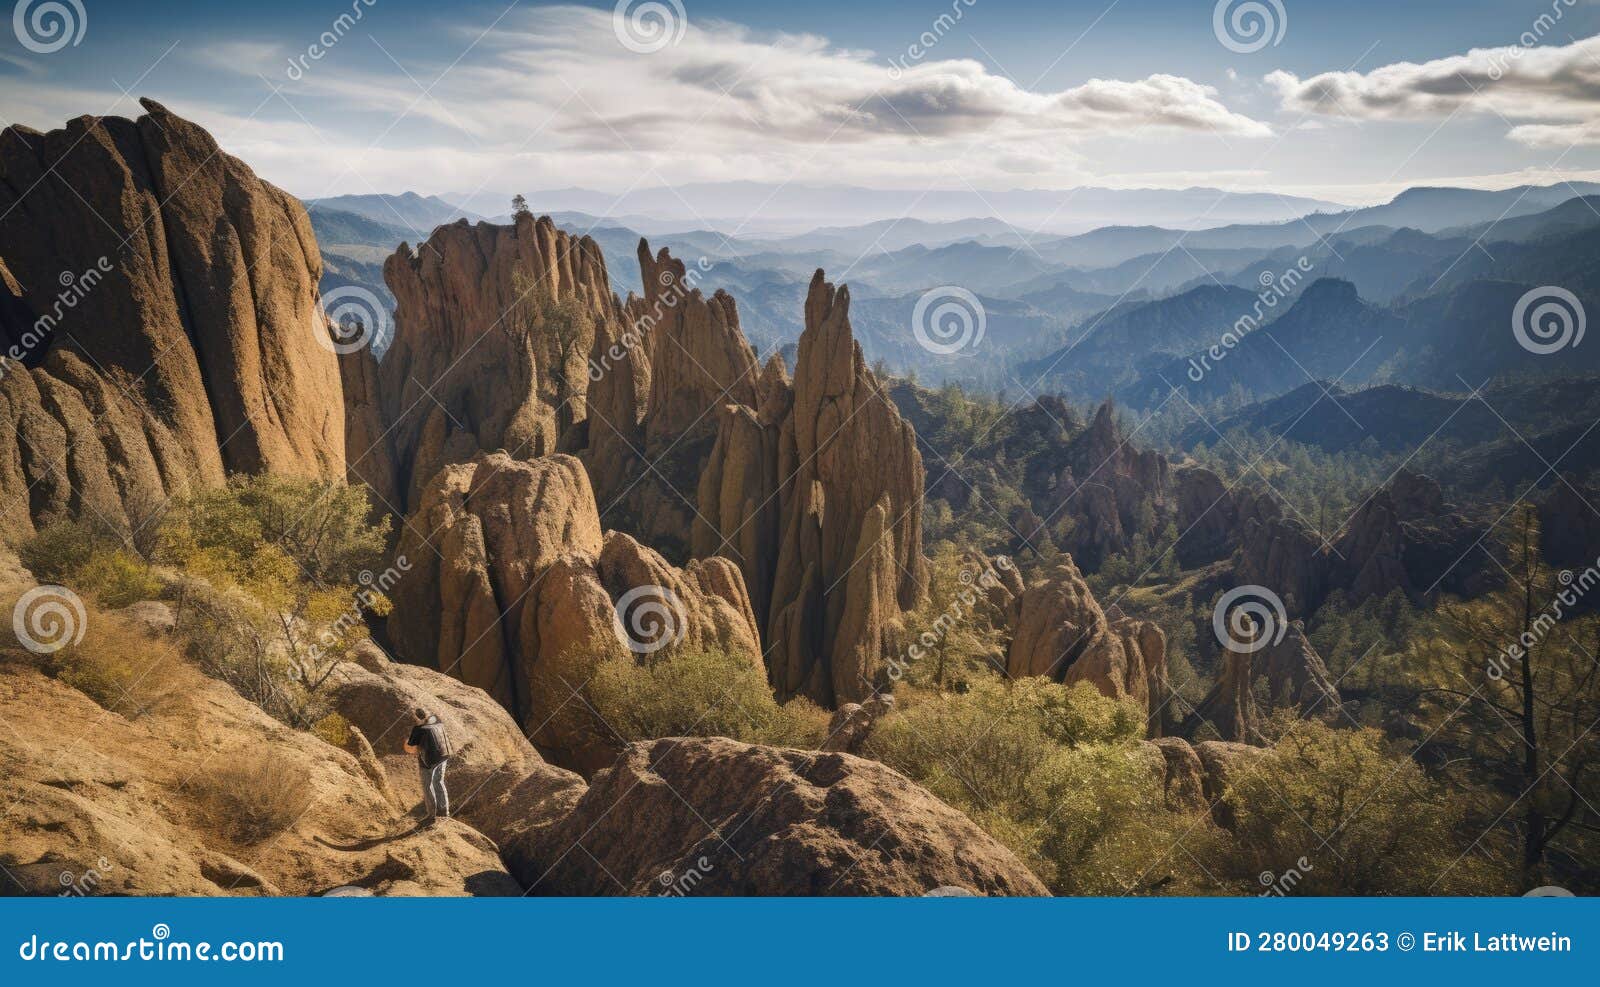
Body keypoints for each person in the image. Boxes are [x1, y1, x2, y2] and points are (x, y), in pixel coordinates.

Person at [404, 707, 452, 825]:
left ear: (415, 717)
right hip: (443, 756)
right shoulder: (439, 724)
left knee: (427, 785)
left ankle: (431, 815)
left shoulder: (418, 729)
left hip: (429, 761)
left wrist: (407, 740)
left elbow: (410, 747)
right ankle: (444, 811)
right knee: (439, 782)